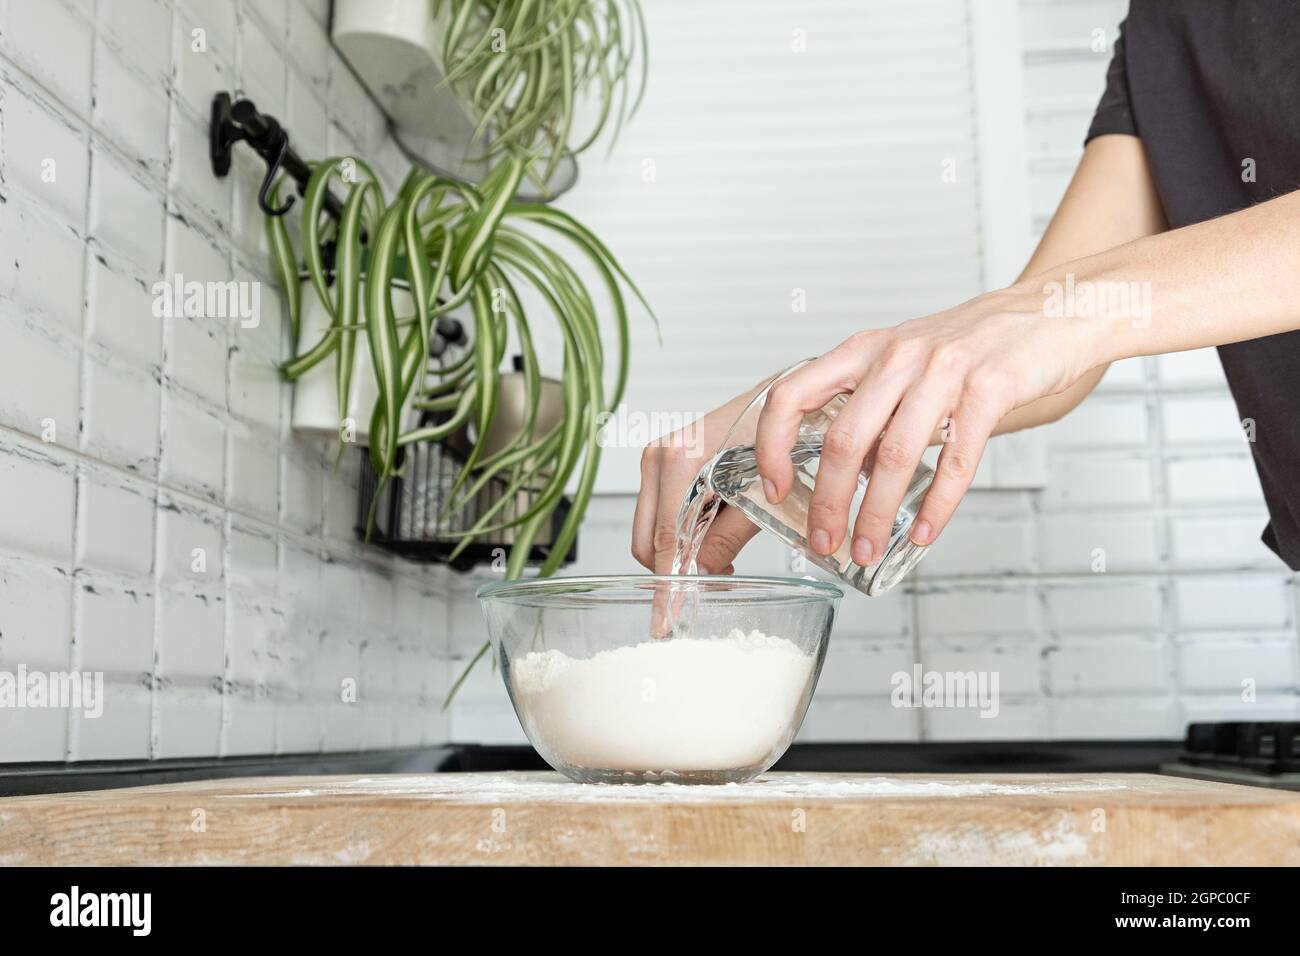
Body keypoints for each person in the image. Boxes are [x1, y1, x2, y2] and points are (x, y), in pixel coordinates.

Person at [632, 1, 1300, 580]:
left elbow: (1044, 325)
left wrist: (1028, 321)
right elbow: (1054, 353)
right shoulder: (1167, 21)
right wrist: (791, 417)